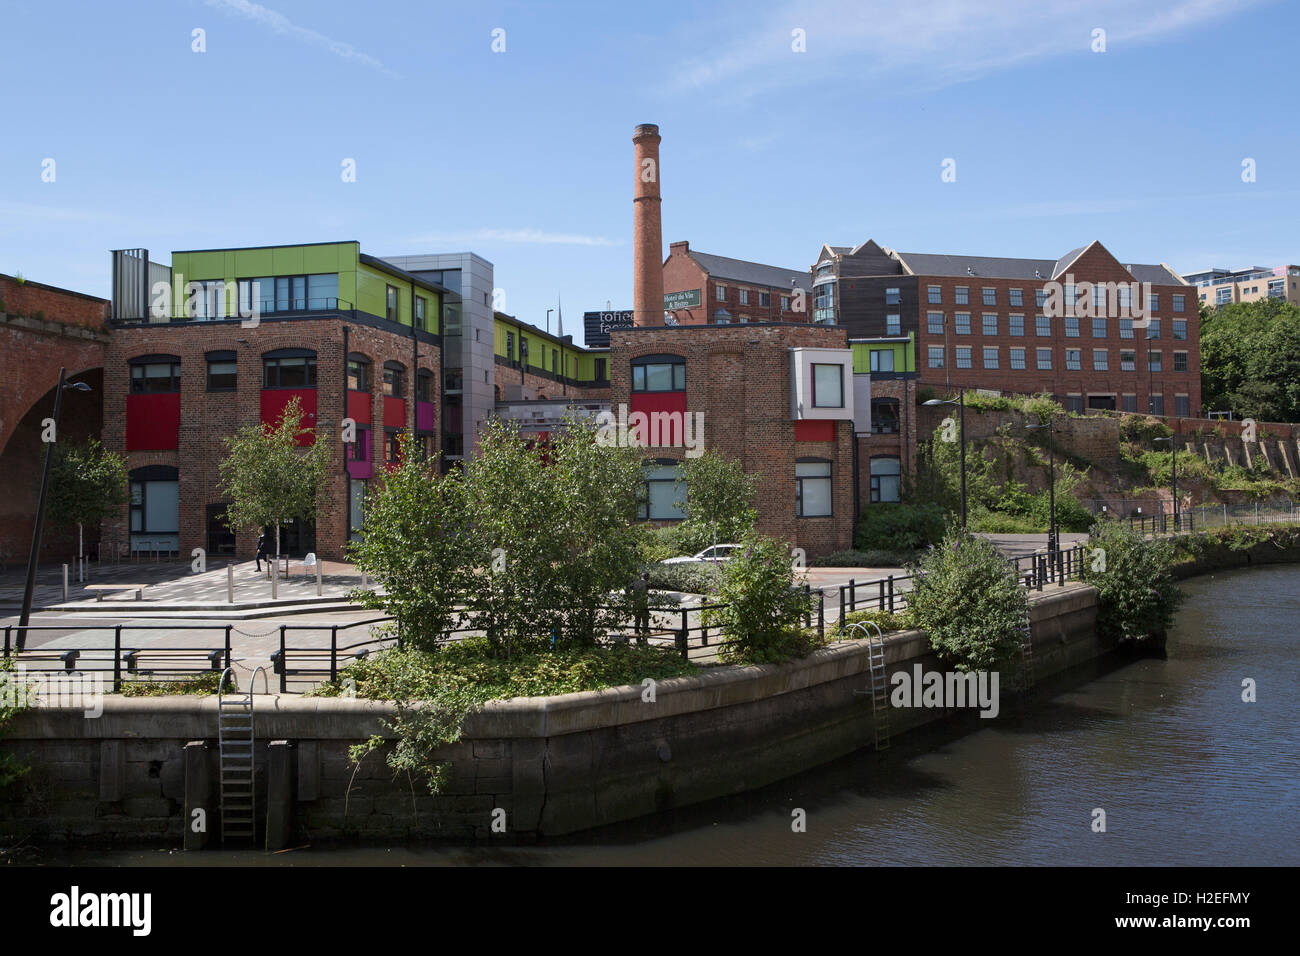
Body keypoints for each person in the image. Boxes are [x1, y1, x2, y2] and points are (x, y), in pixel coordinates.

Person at [631, 572, 651, 644]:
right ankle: (645, 640)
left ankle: (638, 640)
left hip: (636, 605)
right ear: (646, 577)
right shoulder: (647, 583)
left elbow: (628, 588)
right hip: (643, 605)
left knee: (637, 623)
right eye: (648, 577)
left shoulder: (635, 583)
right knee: (645, 623)